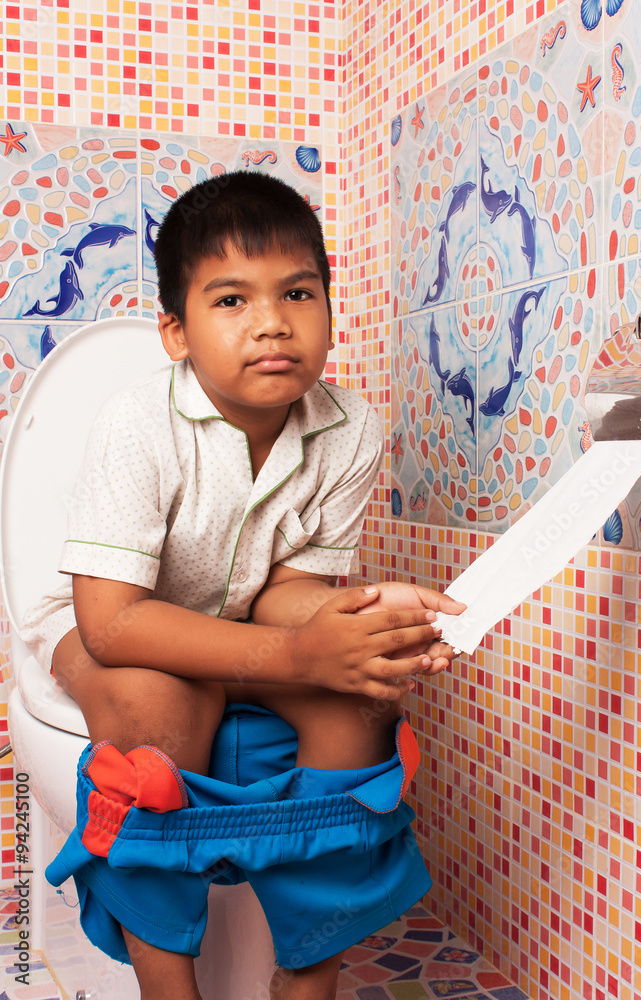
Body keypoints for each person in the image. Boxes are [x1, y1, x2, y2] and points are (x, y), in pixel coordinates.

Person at [22, 171, 464, 1000]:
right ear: (175, 332)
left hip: (245, 628)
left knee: (359, 706)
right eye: (231, 300)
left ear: (328, 304)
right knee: (159, 708)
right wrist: (296, 654)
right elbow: (112, 624)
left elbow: (284, 593)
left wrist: (353, 616)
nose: (272, 322)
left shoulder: (349, 428)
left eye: (297, 292)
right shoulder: (137, 423)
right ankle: (168, 987)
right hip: (109, 623)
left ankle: (308, 971)